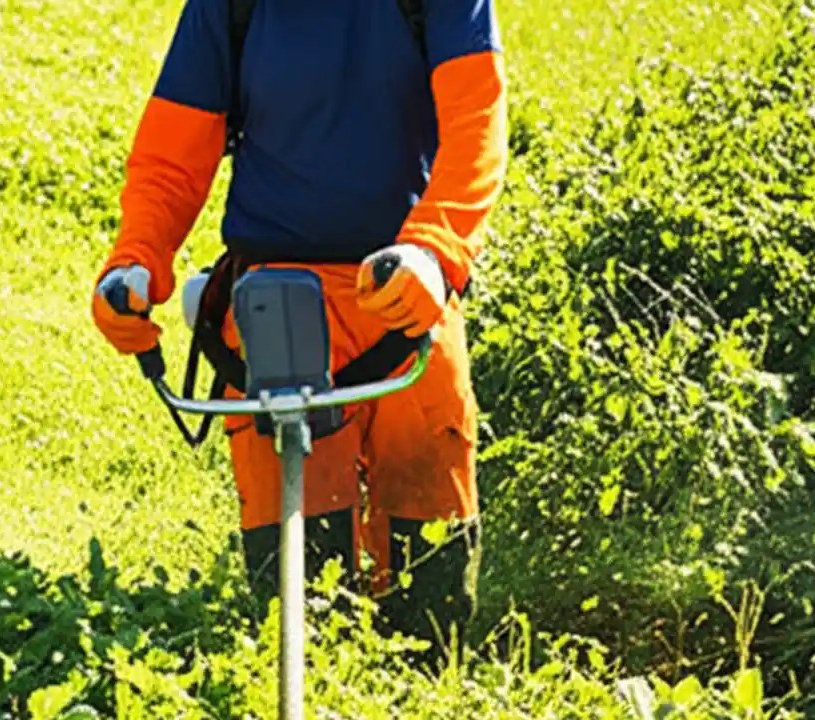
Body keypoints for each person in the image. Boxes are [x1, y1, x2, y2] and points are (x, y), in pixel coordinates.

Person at [90, 0, 507, 659]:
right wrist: (138, 256)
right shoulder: (228, 7)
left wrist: (436, 250)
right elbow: (172, 156)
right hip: (275, 309)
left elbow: (476, 120)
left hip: (408, 294)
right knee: (300, 600)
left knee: (435, 598)